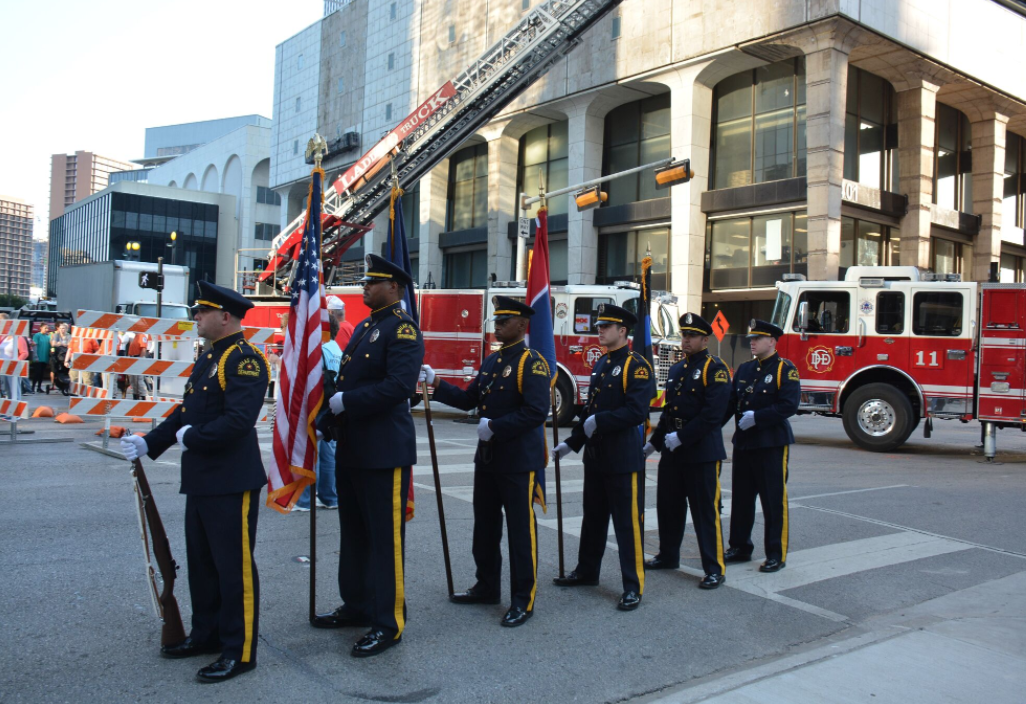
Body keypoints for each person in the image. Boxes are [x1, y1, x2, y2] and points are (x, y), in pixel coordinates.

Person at [120, 281, 269, 683]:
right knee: (203, 566)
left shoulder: (244, 359)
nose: (195, 317)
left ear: (225, 316)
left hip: (231, 480)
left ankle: (239, 651)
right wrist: (148, 442)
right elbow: (186, 410)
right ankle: (206, 635)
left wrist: (194, 438)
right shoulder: (209, 357)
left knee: (233, 568)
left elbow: (238, 420)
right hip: (202, 478)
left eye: (201, 311)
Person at [313, 254, 424, 658]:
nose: (364, 289)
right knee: (354, 535)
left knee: (384, 540)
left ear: (394, 287)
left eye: (372, 283)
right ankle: (357, 605)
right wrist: (329, 416)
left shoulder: (403, 329)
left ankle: (388, 621)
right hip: (354, 448)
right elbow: (347, 379)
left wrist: (348, 402)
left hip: (383, 451)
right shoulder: (365, 326)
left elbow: (398, 387)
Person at [420, 296, 550, 628]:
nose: (497, 325)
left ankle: (523, 598)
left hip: (518, 461)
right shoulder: (492, 361)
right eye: (496, 320)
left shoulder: (531, 362)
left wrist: (495, 426)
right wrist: (436, 382)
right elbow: (468, 399)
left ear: (522, 325)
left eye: (504, 320)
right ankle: (487, 586)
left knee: (521, 531)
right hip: (490, 458)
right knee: (485, 527)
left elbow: (537, 412)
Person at [551, 304, 655, 611]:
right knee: (593, 519)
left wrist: (602, 421)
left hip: (622, 460)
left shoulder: (636, 366)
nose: (599, 330)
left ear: (622, 331)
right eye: (599, 326)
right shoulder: (602, 364)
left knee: (626, 524)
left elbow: (636, 412)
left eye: (605, 326)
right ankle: (587, 571)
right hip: (596, 458)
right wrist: (572, 443)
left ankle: (633, 585)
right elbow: (590, 412)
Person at [644, 313, 730, 589]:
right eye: (684, 335)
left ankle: (714, 568)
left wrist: (682, 437)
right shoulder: (679, 368)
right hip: (673, 449)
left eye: (691, 336)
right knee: (669, 506)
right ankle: (668, 555)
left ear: (705, 339)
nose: (686, 340)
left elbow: (712, 415)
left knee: (704, 511)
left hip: (701, 451)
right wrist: (653, 443)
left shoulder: (714, 368)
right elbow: (670, 411)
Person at [723, 319, 800, 574]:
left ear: (772, 341)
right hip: (744, 444)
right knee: (742, 500)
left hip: (771, 444)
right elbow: (731, 404)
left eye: (757, 339)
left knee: (772, 500)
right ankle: (740, 546)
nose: (752, 343)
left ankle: (776, 554)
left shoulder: (784, 369)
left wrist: (758, 417)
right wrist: (709, 426)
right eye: (751, 339)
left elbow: (789, 405)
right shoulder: (744, 370)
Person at [293, 314, 342, 512]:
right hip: (332, 403)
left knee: (309, 450)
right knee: (328, 451)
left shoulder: (318, 349)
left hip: (316, 404)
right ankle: (329, 496)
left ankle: (304, 499)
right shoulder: (336, 348)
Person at [0, 312, 29, 400]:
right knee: (6, 391)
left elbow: (24, 353)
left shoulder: (18, 337)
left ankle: (16, 412)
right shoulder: (2, 337)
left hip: (13, 368)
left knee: (14, 392)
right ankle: (7, 412)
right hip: (2, 368)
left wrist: (14, 364)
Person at [30, 324, 51, 393]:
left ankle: (39, 387)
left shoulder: (47, 337)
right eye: (45, 328)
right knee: (37, 373)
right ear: (41, 328)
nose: (47, 330)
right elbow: (34, 346)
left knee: (42, 373)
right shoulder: (37, 335)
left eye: (47, 328)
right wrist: (35, 356)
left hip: (45, 358)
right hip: (38, 358)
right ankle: (32, 387)